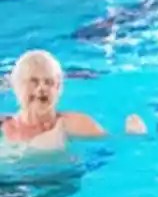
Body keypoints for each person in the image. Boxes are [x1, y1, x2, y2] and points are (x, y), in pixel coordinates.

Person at [2, 50, 146, 151]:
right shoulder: (3, 126)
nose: (42, 89)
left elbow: (113, 145)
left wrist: (133, 136)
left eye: (49, 82)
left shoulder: (74, 124)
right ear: (16, 86)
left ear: (58, 88)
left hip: (59, 186)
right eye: (34, 82)